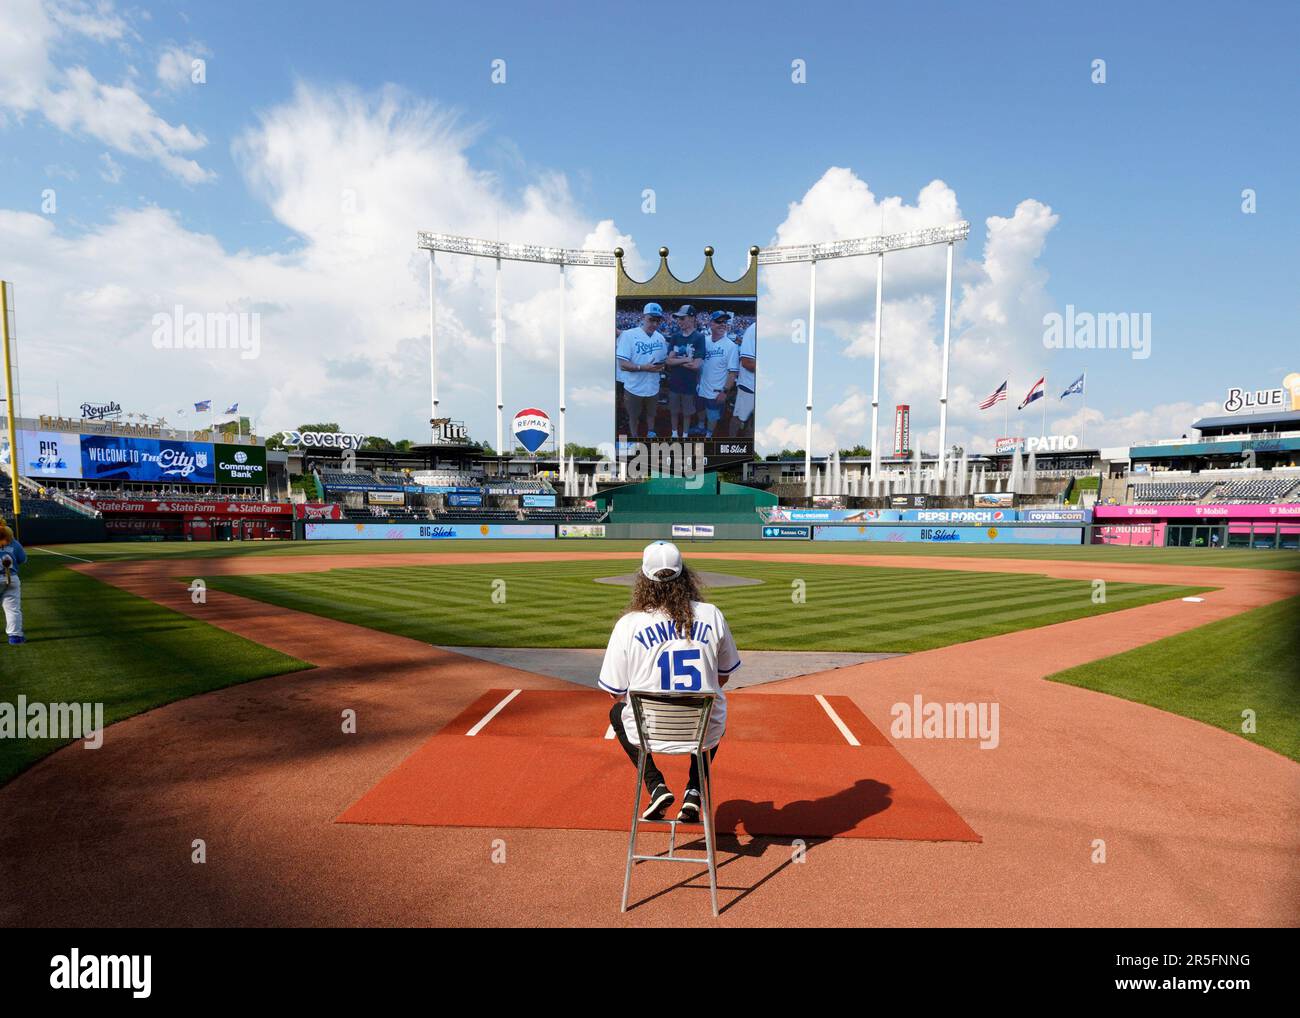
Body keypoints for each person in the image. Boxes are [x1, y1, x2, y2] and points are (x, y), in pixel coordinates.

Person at [599, 541, 741, 822]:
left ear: (643, 579)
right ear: (684, 575)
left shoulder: (628, 624)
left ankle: (656, 786)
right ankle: (694, 791)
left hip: (649, 733)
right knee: (712, 710)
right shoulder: (712, 614)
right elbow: (723, 674)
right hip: (702, 733)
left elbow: (614, 692)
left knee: (617, 713)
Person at [615, 303, 668, 441]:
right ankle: (635, 437)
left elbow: (662, 362)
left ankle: (651, 432)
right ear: (643, 317)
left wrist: (661, 367)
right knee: (634, 416)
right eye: (651, 319)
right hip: (634, 387)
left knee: (651, 414)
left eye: (658, 320)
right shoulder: (629, 335)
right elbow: (622, 365)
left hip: (653, 386)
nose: (655, 323)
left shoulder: (660, 338)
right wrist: (643, 367)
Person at [663, 305, 705, 439]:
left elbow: (696, 365)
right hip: (675, 382)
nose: (679, 321)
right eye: (678, 318)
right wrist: (686, 359)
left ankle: (685, 435)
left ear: (692, 318)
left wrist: (677, 360)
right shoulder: (675, 337)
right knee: (673, 411)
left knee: (687, 412)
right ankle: (674, 434)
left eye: (682, 318)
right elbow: (668, 361)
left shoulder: (699, 337)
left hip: (689, 384)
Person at [696, 311, 739, 437]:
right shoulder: (704, 341)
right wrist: (698, 383)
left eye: (724, 322)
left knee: (713, 415)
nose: (722, 324)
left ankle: (709, 435)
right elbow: (699, 364)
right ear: (711, 324)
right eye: (718, 321)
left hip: (716, 390)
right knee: (700, 410)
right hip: (701, 387)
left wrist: (724, 391)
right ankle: (700, 426)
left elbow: (733, 372)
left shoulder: (731, 346)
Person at [0, 520, 27, 645]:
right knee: (12, 609)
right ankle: (15, 637)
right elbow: (22, 559)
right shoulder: (13, 542)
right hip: (11, 577)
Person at [729, 319, 757, 437]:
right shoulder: (754, 329)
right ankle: (730, 444)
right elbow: (747, 362)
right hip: (749, 384)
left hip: (767, 386)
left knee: (755, 422)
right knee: (740, 417)